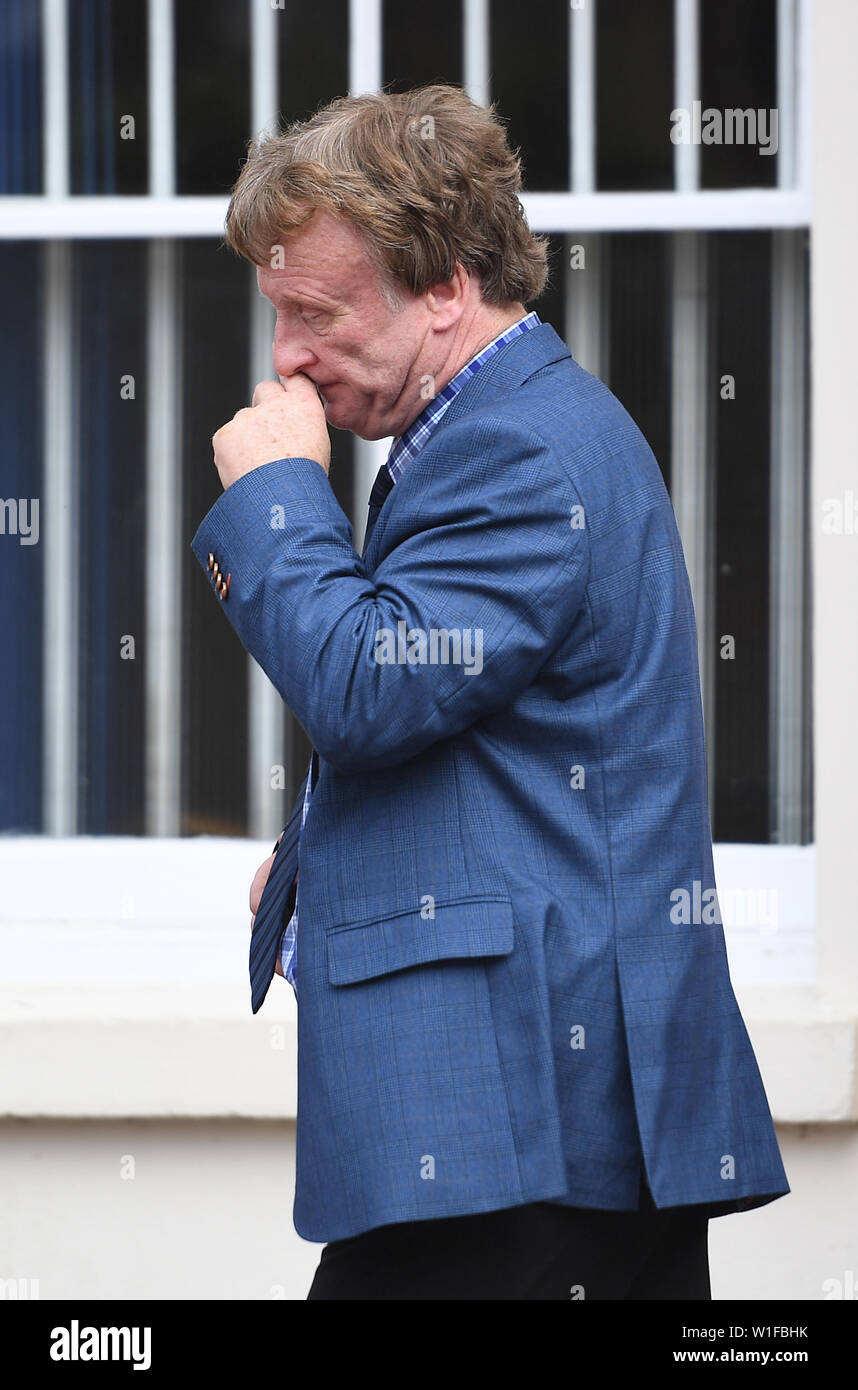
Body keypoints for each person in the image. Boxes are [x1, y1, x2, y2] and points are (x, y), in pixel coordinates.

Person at [191, 84, 789, 1300]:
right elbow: (485, 728)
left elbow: (367, 682)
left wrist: (278, 499)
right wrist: (325, 852)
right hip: (516, 1134)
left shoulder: (512, 449)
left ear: (449, 287)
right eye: (276, 314)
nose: (285, 357)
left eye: (314, 312)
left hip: (519, 1135)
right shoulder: (491, 428)